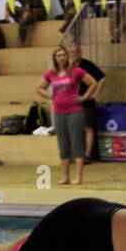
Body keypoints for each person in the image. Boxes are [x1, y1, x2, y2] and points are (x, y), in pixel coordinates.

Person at [37, 46, 97, 185]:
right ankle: (65, 176)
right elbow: (39, 87)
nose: (61, 57)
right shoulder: (51, 74)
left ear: (67, 57)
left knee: (77, 144)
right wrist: (50, 97)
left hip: (74, 111)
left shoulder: (76, 71)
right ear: (55, 58)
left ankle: (79, 176)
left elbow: (92, 83)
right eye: (58, 55)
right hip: (59, 113)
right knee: (63, 145)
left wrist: (84, 97)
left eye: (63, 55)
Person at [68, 42, 106, 162]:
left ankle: (88, 154)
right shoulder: (68, 67)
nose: (75, 54)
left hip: (87, 101)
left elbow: (102, 77)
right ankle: (76, 153)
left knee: (88, 127)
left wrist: (95, 93)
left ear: (80, 52)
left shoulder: (87, 65)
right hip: (72, 102)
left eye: (77, 51)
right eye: (72, 52)